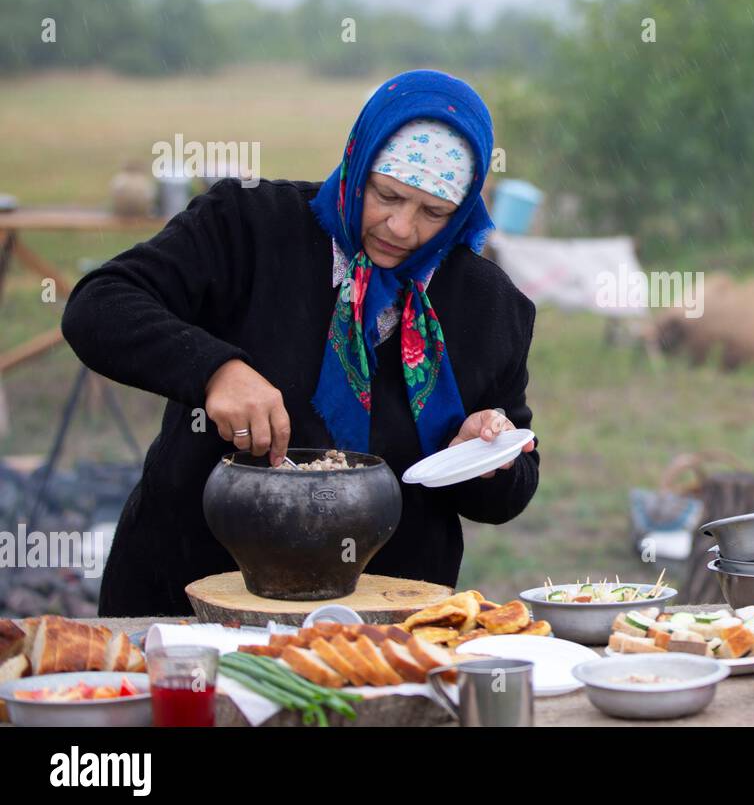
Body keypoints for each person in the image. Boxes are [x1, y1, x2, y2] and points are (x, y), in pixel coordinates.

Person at [62, 69, 539, 617]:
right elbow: (99, 304)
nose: (402, 228)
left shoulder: (489, 307)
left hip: (382, 618)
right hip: (192, 597)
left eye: (434, 212)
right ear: (357, 166)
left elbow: (512, 490)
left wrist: (489, 455)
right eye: (386, 195)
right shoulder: (249, 227)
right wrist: (215, 369)